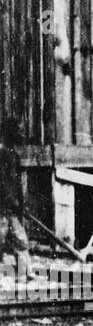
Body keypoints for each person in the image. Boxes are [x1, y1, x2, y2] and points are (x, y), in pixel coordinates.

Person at [0, 118, 34, 282]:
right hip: (3, 208)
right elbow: (4, 182)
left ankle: (24, 273)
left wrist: (20, 203)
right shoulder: (3, 154)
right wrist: (12, 200)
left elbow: (16, 183)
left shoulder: (13, 155)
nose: (22, 134)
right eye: (18, 131)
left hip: (10, 209)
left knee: (20, 240)